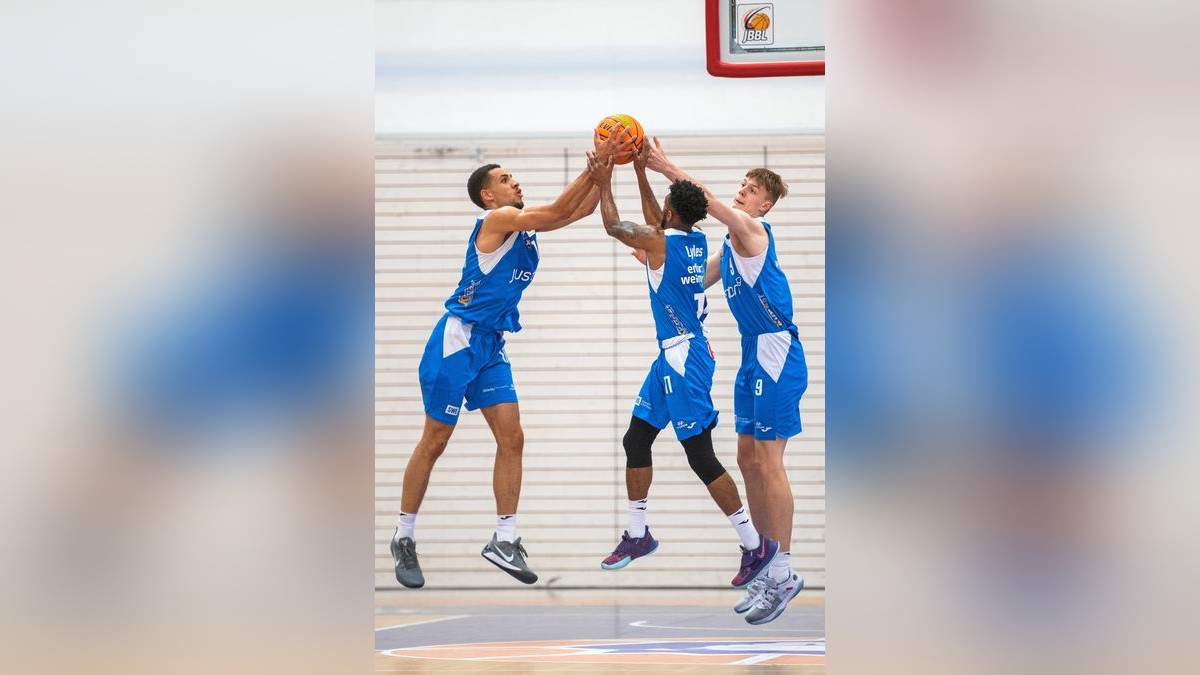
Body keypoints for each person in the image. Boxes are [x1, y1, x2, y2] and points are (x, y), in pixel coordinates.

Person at [390, 137, 624, 589]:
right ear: (487, 195)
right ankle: (404, 536)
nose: (514, 182)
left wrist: (605, 174)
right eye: (504, 179)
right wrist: (593, 167)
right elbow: (559, 209)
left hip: (491, 344)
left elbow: (579, 211)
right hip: (457, 341)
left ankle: (504, 539)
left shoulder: (523, 226)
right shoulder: (496, 220)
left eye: (513, 176)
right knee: (435, 440)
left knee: (513, 438)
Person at [587, 133, 780, 593]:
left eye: (664, 207)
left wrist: (603, 180)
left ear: (669, 213)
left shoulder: (659, 241)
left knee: (700, 455)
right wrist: (639, 170)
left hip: (685, 359)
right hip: (672, 355)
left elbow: (613, 225)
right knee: (636, 439)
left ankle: (754, 544)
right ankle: (638, 534)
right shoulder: (692, 239)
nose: (660, 212)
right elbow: (657, 220)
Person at [642, 137, 807, 625]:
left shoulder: (753, 231)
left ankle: (784, 572)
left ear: (765, 205)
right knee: (746, 459)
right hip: (753, 353)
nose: (743, 191)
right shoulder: (729, 249)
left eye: (752, 189)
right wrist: (648, 246)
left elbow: (709, 202)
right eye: (743, 184)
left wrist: (663, 165)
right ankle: (765, 564)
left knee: (769, 461)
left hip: (777, 351)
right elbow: (688, 276)